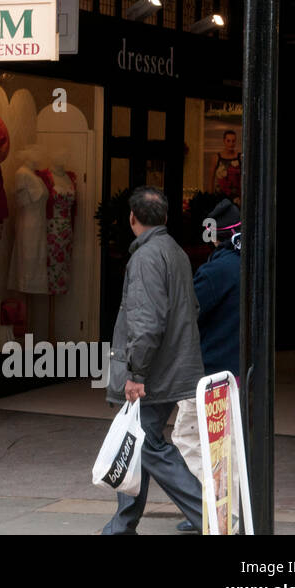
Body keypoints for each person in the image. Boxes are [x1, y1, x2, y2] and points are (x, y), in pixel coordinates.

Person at [102, 186, 206, 535]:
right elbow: (189, 309)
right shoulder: (174, 251)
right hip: (174, 366)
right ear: (164, 217)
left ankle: (208, 515)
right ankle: (123, 524)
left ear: (132, 219)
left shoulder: (146, 258)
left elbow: (146, 324)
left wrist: (136, 373)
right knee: (139, 442)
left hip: (155, 373)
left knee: (147, 444)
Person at [171, 198, 242, 532]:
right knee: (225, 444)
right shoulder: (247, 264)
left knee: (188, 437)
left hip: (208, 370)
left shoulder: (217, 269)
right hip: (235, 371)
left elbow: (189, 311)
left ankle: (212, 510)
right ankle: (229, 512)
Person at [208, 129, 242, 204]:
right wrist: (210, 198)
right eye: (228, 141)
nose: (231, 143)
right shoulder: (217, 157)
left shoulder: (239, 158)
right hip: (220, 197)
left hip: (236, 198)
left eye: (233, 141)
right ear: (224, 141)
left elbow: (243, 179)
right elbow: (211, 179)